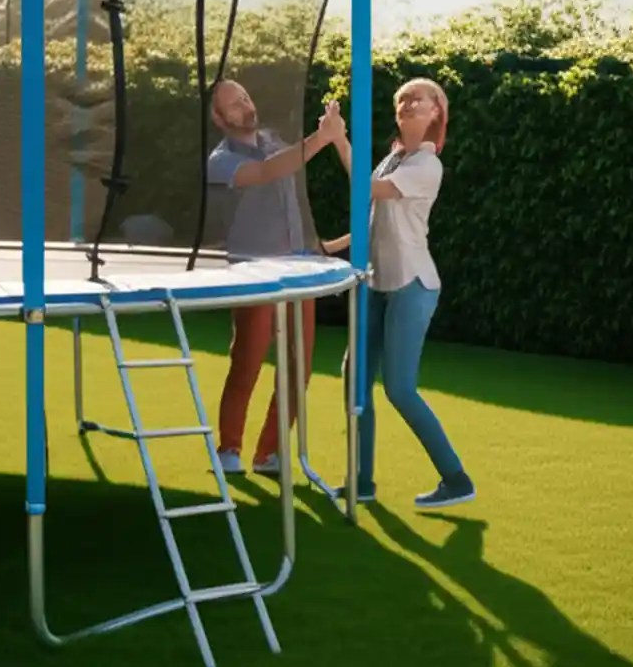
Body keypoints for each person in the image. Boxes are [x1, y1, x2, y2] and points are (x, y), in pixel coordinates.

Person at [331, 77, 476, 508]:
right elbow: (374, 217)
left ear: (437, 113)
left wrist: (338, 140)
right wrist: (329, 247)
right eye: (402, 99)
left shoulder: (427, 166)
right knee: (355, 379)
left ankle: (457, 479)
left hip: (412, 285)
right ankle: (362, 481)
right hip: (376, 283)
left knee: (399, 389)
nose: (408, 103)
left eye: (419, 99)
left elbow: (368, 191)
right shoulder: (393, 159)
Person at [204, 79, 349, 476]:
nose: (245, 106)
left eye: (247, 96)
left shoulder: (273, 141)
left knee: (298, 366)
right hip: (252, 270)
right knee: (248, 358)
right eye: (234, 104)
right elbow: (269, 172)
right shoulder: (221, 161)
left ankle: (269, 452)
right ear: (219, 118)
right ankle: (228, 449)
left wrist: (338, 243)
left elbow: (292, 213)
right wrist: (323, 138)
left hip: (297, 269)